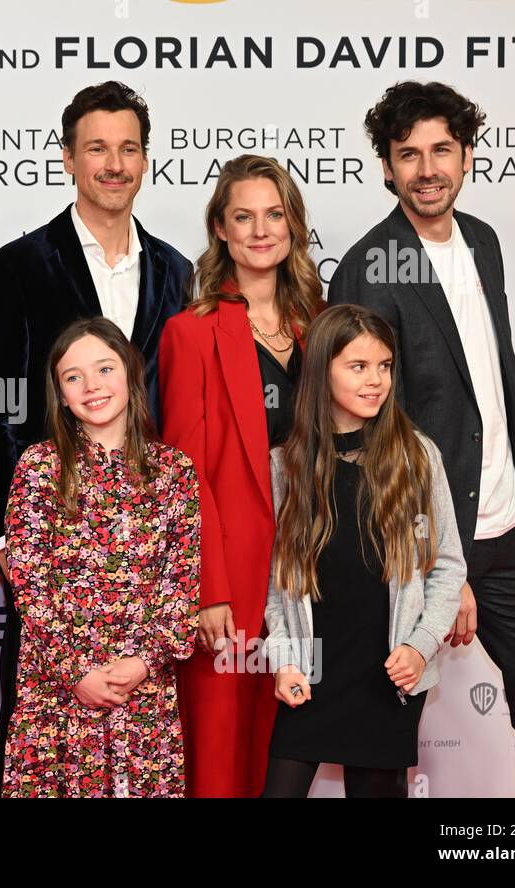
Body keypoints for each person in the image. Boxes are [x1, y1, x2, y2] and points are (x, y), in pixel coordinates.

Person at [328, 81, 515, 797]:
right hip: (432, 536)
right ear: (386, 167)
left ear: (467, 155)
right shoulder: (370, 267)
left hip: (511, 524)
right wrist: (445, 563)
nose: (427, 168)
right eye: (408, 154)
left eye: (442, 149)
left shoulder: (483, 242)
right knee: (385, 715)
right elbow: (376, 432)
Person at [0, 82, 192, 795]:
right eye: (97, 147)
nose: (114, 163)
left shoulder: (176, 270)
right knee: (49, 758)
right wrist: (11, 551)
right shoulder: (17, 266)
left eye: (128, 148)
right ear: (68, 157)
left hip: (140, 578)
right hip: (53, 575)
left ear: (146, 159)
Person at [158, 154, 325, 797]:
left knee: (290, 752)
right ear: (220, 230)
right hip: (232, 578)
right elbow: (184, 472)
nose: (260, 230)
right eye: (243, 216)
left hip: (311, 572)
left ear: (293, 226)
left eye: (274, 214)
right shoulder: (192, 333)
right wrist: (208, 587)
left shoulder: (319, 327)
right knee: (224, 759)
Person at [262, 304, 464, 798]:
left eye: (384, 366)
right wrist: (285, 658)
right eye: (358, 366)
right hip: (311, 671)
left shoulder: (416, 457)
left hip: (388, 674)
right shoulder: (285, 465)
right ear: (321, 370)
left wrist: (420, 646)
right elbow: (273, 580)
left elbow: (447, 565)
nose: (376, 380)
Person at [1, 317, 199, 797]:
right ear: (61, 395)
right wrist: (77, 673)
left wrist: (144, 662)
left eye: (105, 369)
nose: (92, 386)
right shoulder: (40, 467)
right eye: (74, 377)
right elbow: (30, 585)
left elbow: (181, 585)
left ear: (131, 374)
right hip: (58, 693)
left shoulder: (174, 471)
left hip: (142, 693)